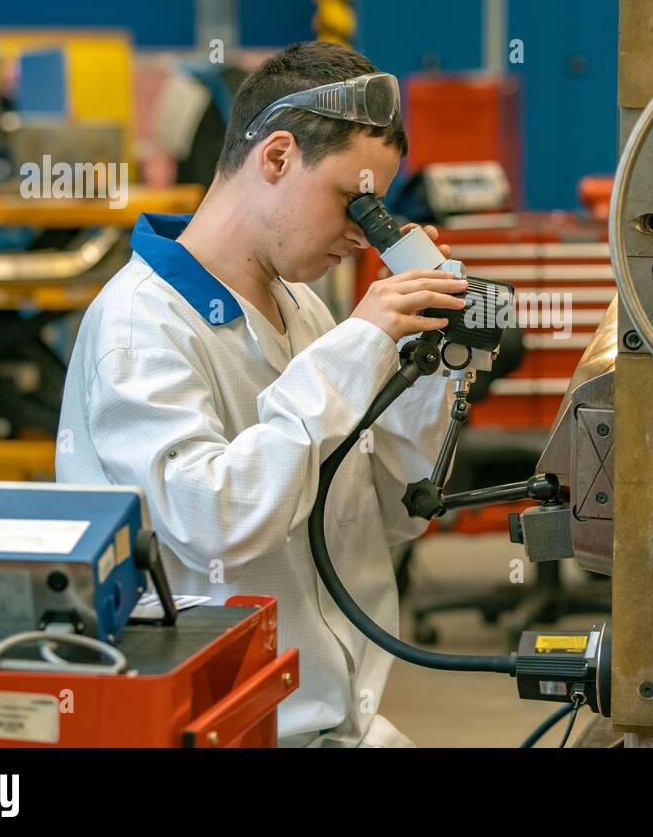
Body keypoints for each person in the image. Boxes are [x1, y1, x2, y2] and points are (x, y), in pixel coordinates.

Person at [56, 41, 467, 747]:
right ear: (275, 158)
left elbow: (388, 516)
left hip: (335, 720)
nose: (362, 234)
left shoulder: (302, 309)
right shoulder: (141, 323)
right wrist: (355, 349)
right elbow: (216, 519)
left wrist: (422, 366)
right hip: (216, 729)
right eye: (351, 200)